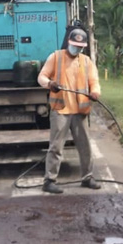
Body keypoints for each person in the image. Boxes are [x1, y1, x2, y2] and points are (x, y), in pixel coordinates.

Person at [38, 28, 101, 194]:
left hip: (80, 111)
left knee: (85, 146)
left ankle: (87, 177)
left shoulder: (87, 62)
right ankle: (49, 180)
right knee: (56, 147)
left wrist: (95, 92)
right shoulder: (56, 57)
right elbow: (41, 77)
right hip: (61, 110)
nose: (76, 48)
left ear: (83, 47)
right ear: (68, 42)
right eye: (74, 45)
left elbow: (94, 81)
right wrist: (50, 84)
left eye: (80, 46)